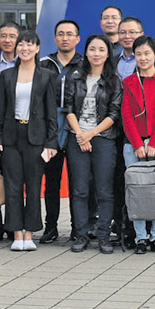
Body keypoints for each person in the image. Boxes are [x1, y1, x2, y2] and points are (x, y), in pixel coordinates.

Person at [0, 29, 55, 249]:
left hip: (36, 138)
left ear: (38, 49)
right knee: (13, 186)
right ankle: (16, 232)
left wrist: (50, 143)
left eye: (30, 44)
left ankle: (30, 233)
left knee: (34, 186)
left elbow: (51, 114)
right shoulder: (7, 75)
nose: (25, 48)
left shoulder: (47, 76)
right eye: (21, 44)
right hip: (11, 137)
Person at [61, 33, 122, 253]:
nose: (96, 54)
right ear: (86, 51)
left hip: (103, 139)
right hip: (76, 137)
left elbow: (114, 113)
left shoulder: (114, 80)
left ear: (108, 53)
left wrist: (91, 134)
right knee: (79, 190)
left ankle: (104, 236)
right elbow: (68, 108)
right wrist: (80, 134)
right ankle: (81, 234)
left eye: (101, 50)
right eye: (92, 49)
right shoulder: (74, 76)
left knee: (104, 190)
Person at [120, 36, 155, 253]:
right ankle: (140, 238)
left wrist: (154, 142)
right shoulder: (128, 82)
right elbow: (126, 116)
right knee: (137, 190)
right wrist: (137, 144)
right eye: (138, 54)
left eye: (147, 53)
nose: (143, 58)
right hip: (133, 146)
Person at [40, 19, 82, 245]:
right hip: (51, 133)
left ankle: (78, 228)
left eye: (69, 34)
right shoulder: (44, 64)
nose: (65, 37)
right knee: (52, 183)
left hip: (77, 132)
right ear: (55, 38)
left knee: (79, 183)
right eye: (60, 34)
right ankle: (51, 227)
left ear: (78, 38)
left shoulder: (85, 64)